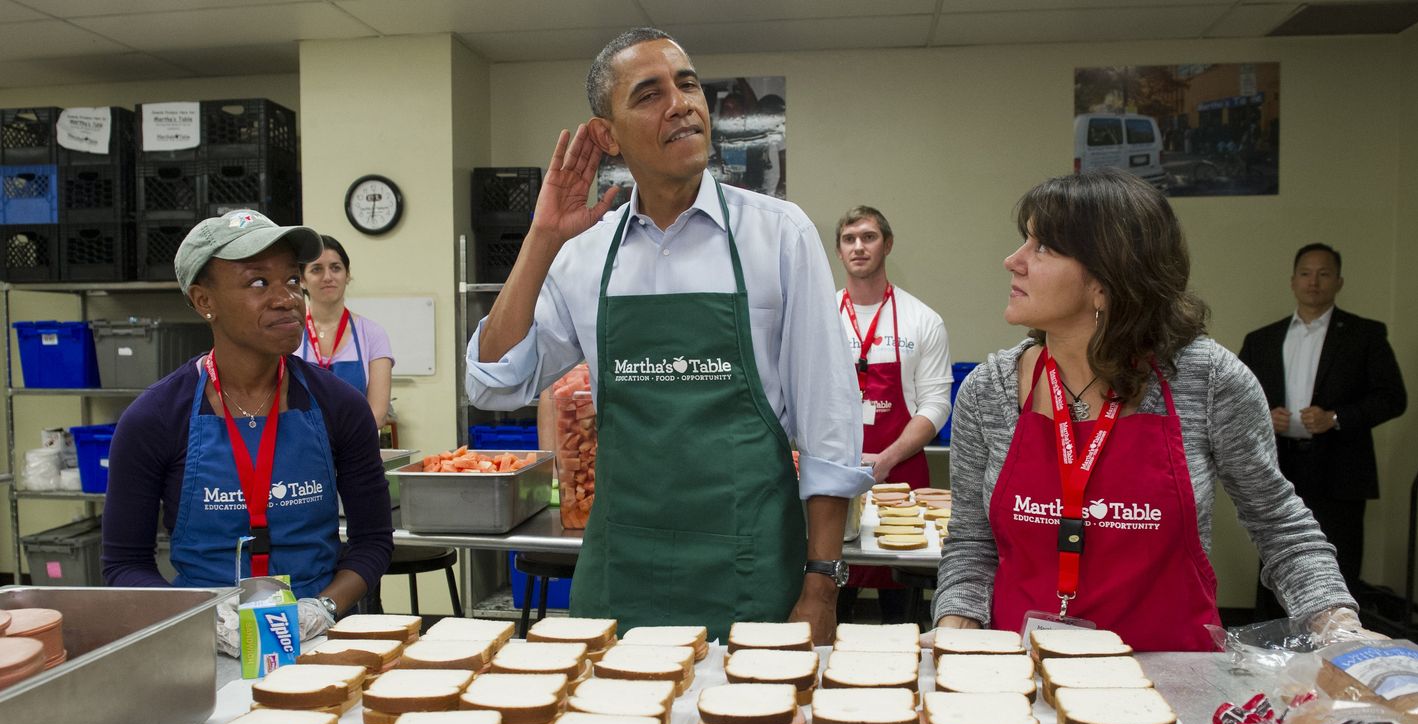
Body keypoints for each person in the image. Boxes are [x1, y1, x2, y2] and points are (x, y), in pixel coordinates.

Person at [466, 28, 870, 644]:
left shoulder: (778, 235)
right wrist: (542, 238)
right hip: (621, 572)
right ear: (607, 135)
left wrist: (821, 585)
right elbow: (493, 383)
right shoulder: (585, 254)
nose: (681, 104)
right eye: (650, 94)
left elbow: (829, 425)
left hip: (751, 567)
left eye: (687, 85)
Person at [933, 169, 1361, 651]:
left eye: (1043, 247)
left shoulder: (1208, 380)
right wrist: (954, 630)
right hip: (1023, 674)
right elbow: (972, 542)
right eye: (1024, 242)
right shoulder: (989, 390)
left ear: (1105, 278)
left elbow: (1279, 525)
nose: (1013, 260)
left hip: (1173, 677)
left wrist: (1340, 630)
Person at [101, 209, 394, 645]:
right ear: (205, 301)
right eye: (258, 282)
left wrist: (322, 609)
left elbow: (373, 541)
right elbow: (124, 564)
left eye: (291, 279)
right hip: (200, 642)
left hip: (320, 639)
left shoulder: (339, 406)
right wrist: (199, 621)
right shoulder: (155, 418)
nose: (286, 298)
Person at [1239, 244, 1407, 616]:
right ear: (1293, 281)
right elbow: (1236, 400)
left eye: (1324, 273)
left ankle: (1338, 639)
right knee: (1275, 559)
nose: (1313, 282)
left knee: (1338, 562)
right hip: (1279, 468)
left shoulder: (1364, 334)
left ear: (1339, 281)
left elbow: (1393, 398)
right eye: (1305, 273)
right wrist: (1263, 416)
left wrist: (1335, 417)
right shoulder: (1261, 339)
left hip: (1340, 468)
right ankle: (1267, 640)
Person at [833, 206, 951, 624]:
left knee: (901, 607)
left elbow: (936, 404)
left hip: (902, 473)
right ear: (839, 250)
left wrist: (886, 458)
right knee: (833, 597)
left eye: (868, 237)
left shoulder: (923, 320)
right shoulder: (822, 317)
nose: (858, 247)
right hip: (836, 474)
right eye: (849, 239)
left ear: (888, 245)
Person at [299, 234, 396, 427]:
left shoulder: (372, 334)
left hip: (357, 443)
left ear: (347, 275)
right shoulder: (288, 333)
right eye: (317, 269)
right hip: (302, 443)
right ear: (302, 279)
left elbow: (377, 414)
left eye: (335, 268)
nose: (328, 277)